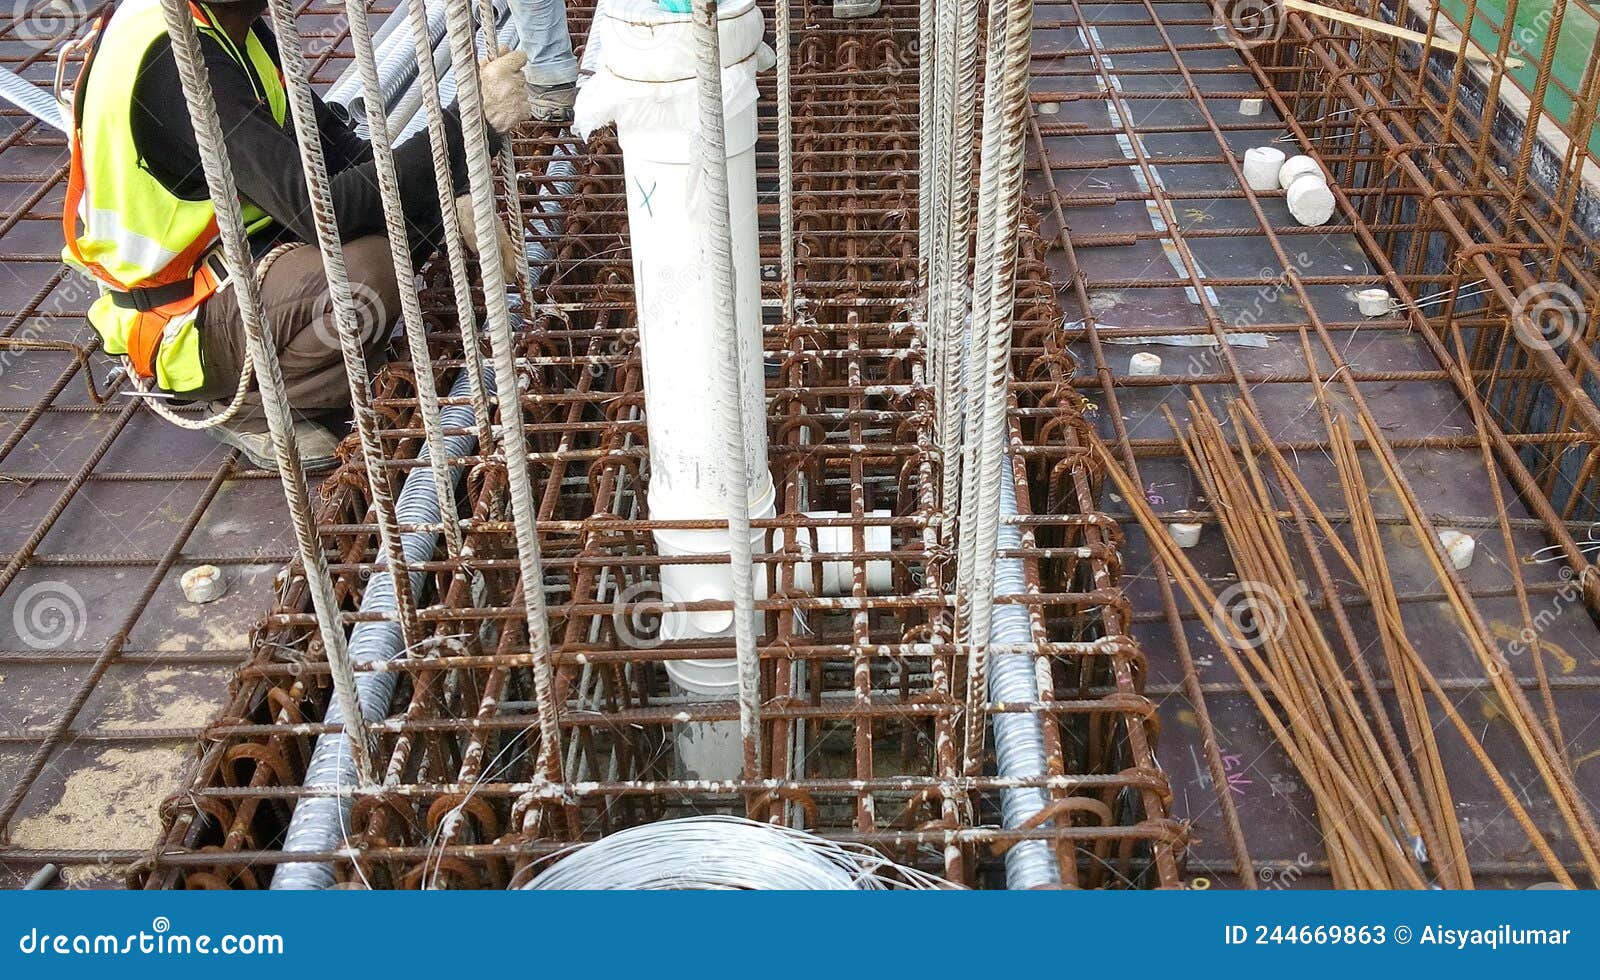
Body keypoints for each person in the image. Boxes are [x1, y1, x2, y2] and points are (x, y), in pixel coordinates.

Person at [61, 0, 534, 471]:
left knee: (413, 211)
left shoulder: (232, 25)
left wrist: (450, 187)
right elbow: (324, 212)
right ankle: (256, 409)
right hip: (180, 316)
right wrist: (464, 125)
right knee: (368, 275)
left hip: (237, 258)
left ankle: (297, 357)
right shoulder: (181, 63)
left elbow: (332, 145)